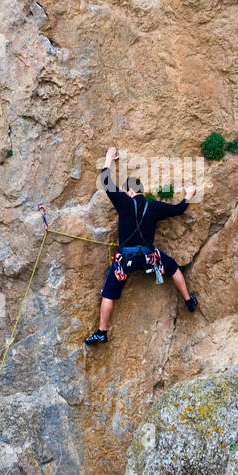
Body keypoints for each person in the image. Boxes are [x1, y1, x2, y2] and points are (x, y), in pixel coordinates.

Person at [84, 146, 198, 345]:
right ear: (141, 192)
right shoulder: (153, 207)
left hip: (124, 262)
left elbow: (105, 180)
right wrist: (189, 194)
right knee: (172, 267)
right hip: (148, 259)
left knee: (108, 293)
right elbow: (179, 210)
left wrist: (109, 157)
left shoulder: (123, 202)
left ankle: (102, 331)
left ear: (129, 192)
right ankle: (188, 300)